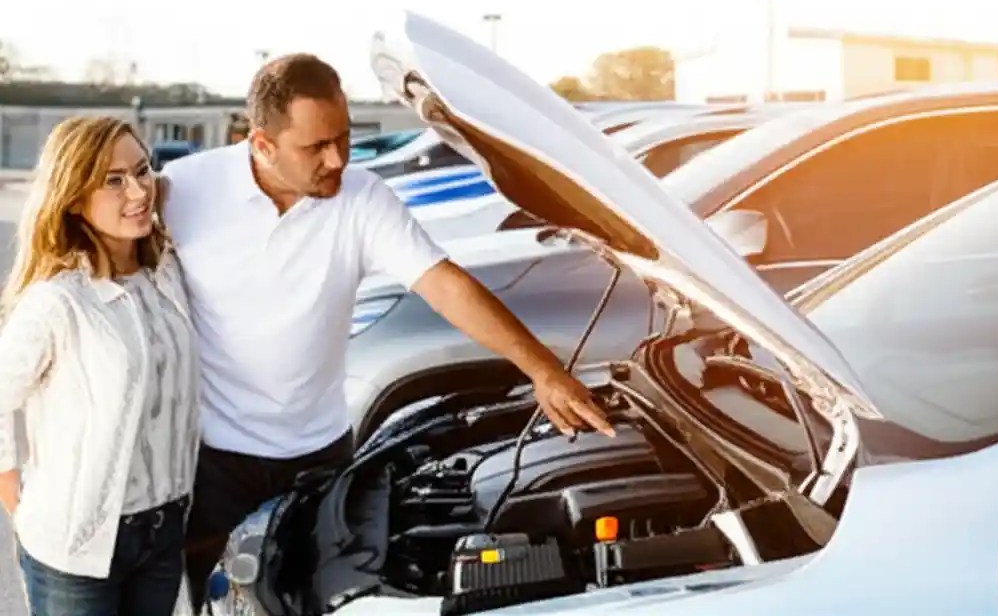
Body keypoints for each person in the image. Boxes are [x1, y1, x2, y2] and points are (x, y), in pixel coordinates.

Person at [162, 53, 615, 608]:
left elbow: (446, 285)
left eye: (344, 138)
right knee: (220, 606)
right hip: (214, 463)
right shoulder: (182, 191)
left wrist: (543, 371)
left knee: (317, 603)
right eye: (315, 148)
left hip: (317, 460)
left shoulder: (361, 198)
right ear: (261, 144)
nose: (337, 159)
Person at [0, 116, 201, 615]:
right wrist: (20, 506)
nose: (138, 191)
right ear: (72, 196)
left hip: (163, 533)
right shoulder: (57, 300)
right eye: (112, 180)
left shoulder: (168, 274)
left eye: (143, 170)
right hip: (76, 552)